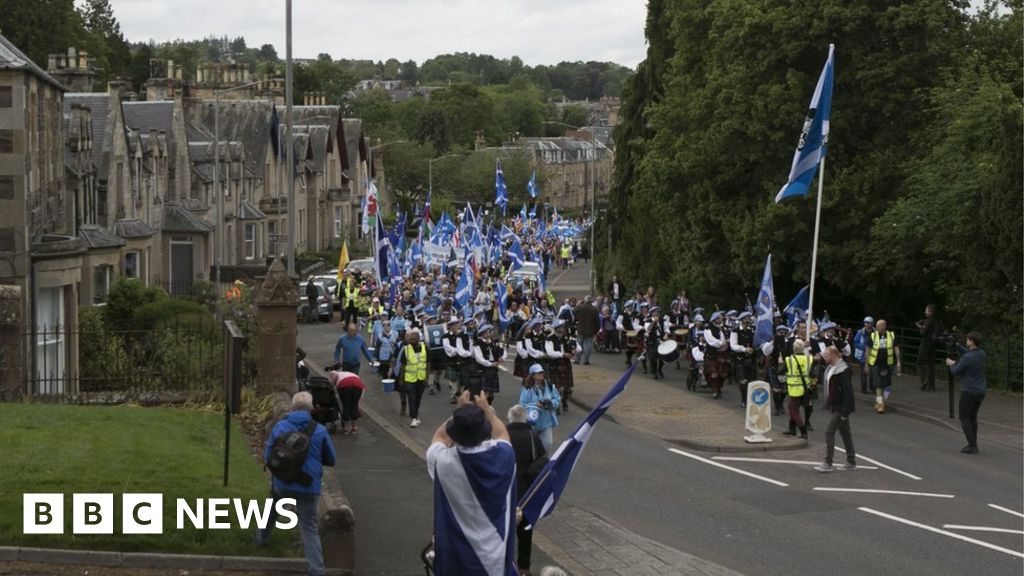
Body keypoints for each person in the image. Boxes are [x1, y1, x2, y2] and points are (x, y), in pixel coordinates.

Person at [427, 391, 516, 575]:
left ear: (456, 432)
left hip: (454, 558)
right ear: (484, 430)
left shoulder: (442, 462)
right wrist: (485, 409)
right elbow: (501, 433)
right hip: (494, 560)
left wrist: (459, 412)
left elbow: (441, 438)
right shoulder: (503, 456)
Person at [257, 392, 336, 576]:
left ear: (292, 408)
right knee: (308, 526)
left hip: (283, 483)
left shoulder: (280, 427)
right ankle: (317, 570)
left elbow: (268, 456)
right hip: (309, 486)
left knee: (272, 507)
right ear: (311, 408)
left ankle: (261, 539)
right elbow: (331, 459)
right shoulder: (320, 430)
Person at [507, 404, 547, 576]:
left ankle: (504, 564)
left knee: (504, 530)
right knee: (525, 531)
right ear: (525, 418)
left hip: (505, 491)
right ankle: (524, 568)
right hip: (526, 492)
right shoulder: (532, 436)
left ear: (510, 418)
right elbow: (542, 458)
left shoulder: (503, 436)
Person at [815, 346, 857, 472]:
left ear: (833, 355)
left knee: (829, 432)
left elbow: (848, 392)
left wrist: (845, 411)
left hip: (841, 407)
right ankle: (851, 461)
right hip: (836, 406)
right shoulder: (831, 368)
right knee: (845, 432)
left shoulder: (842, 371)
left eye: (826, 356)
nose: (824, 358)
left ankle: (828, 463)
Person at [946, 332, 986, 454]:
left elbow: (956, 371)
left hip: (968, 391)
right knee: (972, 417)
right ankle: (974, 442)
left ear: (972, 342)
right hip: (980, 390)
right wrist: (957, 346)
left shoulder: (967, 358)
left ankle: (972, 445)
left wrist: (951, 364)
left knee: (964, 418)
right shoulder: (981, 354)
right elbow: (968, 354)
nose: (966, 341)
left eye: (968, 340)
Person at [518, 363, 562, 452]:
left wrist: (550, 403)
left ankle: (543, 464)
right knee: (532, 449)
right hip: (531, 423)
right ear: (533, 376)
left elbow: (557, 399)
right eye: (538, 373)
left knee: (547, 445)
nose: (541, 374)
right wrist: (535, 405)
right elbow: (522, 404)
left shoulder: (549, 386)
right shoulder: (527, 388)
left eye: (542, 372)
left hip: (546, 423)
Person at [396, 328, 429, 428]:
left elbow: (428, 363)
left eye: (413, 340)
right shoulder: (406, 349)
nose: (411, 341)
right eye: (410, 339)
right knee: (412, 398)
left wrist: (427, 377)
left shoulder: (425, 348)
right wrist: (401, 379)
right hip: (409, 379)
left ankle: (416, 414)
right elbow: (403, 365)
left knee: (418, 399)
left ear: (418, 339)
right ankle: (413, 418)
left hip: (421, 378)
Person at [867, 319, 901, 413]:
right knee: (878, 384)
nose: (877, 327)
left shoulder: (891, 335)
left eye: (879, 326)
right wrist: (866, 364)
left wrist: (898, 362)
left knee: (885, 384)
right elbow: (868, 350)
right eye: (876, 325)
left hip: (887, 363)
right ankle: (881, 404)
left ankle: (879, 401)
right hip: (875, 363)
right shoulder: (873, 335)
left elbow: (896, 349)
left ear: (884, 326)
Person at [780, 338, 810, 439]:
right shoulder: (808, 359)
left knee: (794, 410)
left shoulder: (789, 360)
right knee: (791, 407)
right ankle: (792, 428)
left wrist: (780, 362)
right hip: (805, 388)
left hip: (794, 388)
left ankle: (803, 431)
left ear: (793, 348)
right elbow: (813, 372)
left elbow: (780, 371)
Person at [328, 369, 365, 435]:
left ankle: (346, 428)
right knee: (354, 406)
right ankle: (354, 427)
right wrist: (358, 403)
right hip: (358, 385)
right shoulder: (351, 374)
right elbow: (362, 389)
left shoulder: (335, 373)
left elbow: (332, 383)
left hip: (344, 385)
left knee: (346, 407)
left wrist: (331, 386)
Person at [917, 304, 943, 391]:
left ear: (930, 312)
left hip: (926, 343)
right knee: (931, 364)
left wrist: (920, 327)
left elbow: (923, 333)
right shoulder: (937, 321)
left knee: (921, 362)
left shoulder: (928, 321)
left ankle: (924, 380)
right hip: (933, 344)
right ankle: (931, 385)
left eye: (926, 310)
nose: (925, 312)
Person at [574, 295, 599, 365]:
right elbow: (597, 321)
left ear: (584, 300)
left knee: (579, 345)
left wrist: (574, 325)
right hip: (590, 330)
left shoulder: (578, 307)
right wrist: (596, 330)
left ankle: (577, 359)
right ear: (591, 301)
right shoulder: (594, 309)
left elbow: (573, 316)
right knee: (588, 346)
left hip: (580, 329)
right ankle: (586, 360)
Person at [853, 317, 874, 393]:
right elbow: (855, 343)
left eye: (869, 323)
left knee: (873, 372)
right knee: (864, 372)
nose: (867, 324)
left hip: (873, 355)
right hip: (862, 355)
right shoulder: (860, 332)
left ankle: (872, 387)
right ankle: (864, 388)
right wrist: (864, 347)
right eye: (866, 323)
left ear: (872, 324)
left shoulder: (875, 332)